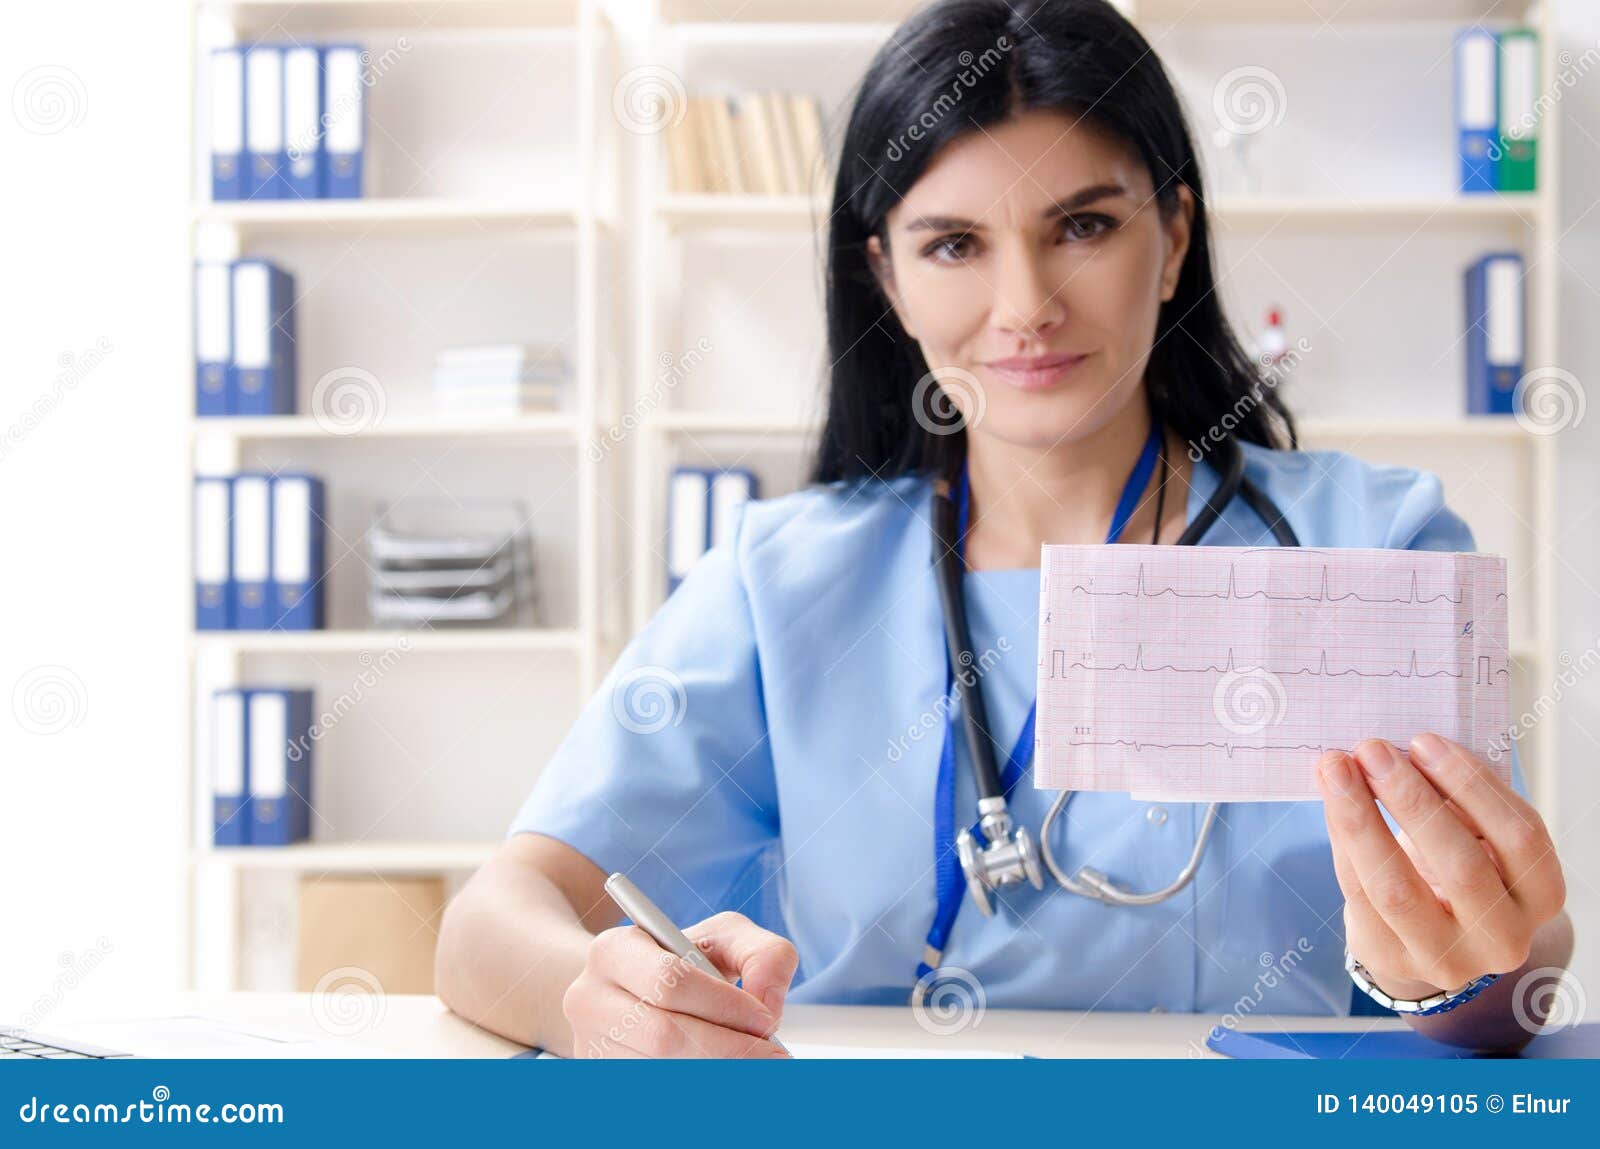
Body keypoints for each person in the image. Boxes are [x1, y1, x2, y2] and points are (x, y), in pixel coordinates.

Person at [436, 0, 1571, 1057]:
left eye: (1083, 225)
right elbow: (490, 924)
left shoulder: (1374, 542)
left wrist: (1451, 974)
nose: (1026, 305)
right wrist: (606, 1001)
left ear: (1174, 237)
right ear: (887, 278)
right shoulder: (781, 580)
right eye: (953, 244)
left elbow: (1506, 974)